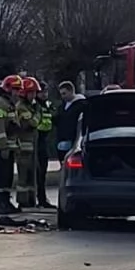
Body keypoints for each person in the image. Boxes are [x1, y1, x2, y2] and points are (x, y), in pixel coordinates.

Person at [0, 75, 22, 215]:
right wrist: (4, 146)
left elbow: (13, 127)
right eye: (16, 90)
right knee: (0, 178)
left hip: (8, 148)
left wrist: (15, 145)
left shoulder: (8, 104)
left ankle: (6, 203)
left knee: (7, 178)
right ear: (8, 89)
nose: (18, 93)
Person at [14, 76, 41, 209]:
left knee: (31, 176)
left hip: (30, 147)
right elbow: (33, 123)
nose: (34, 95)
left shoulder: (29, 107)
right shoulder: (22, 107)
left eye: (35, 92)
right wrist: (38, 113)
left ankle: (31, 200)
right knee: (23, 177)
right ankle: (23, 201)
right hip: (24, 148)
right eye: (31, 93)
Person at [33, 81, 56, 209]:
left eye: (46, 91)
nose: (44, 94)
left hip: (44, 139)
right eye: (41, 92)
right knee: (38, 173)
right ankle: (38, 198)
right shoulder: (35, 105)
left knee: (42, 173)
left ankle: (42, 199)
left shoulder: (47, 105)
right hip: (36, 139)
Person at [53, 80, 85, 160]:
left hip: (74, 141)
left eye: (64, 93)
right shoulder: (62, 106)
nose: (63, 96)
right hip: (61, 140)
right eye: (61, 94)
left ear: (71, 91)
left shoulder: (82, 105)